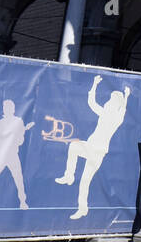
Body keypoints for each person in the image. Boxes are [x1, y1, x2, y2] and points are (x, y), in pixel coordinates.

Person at [55, 76, 132, 219]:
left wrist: (126, 96)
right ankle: (69, 175)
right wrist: (95, 84)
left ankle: (82, 208)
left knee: (85, 181)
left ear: (116, 104)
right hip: (90, 146)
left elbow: (123, 110)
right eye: (109, 99)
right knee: (74, 146)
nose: (108, 102)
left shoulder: (116, 119)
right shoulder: (103, 113)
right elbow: (91, 102)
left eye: (111, 100)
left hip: (98, 152)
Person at [0, 100, 33, 211]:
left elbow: (20, 141)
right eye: (5, 108)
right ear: (4, 110)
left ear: (13, 109)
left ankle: (23, 202)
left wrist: (22, 133)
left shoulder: (18, 121)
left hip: (12, 155)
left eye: (9, 107)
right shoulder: (1, 123)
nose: (6, 109)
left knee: (19, 179)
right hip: (0, 156)